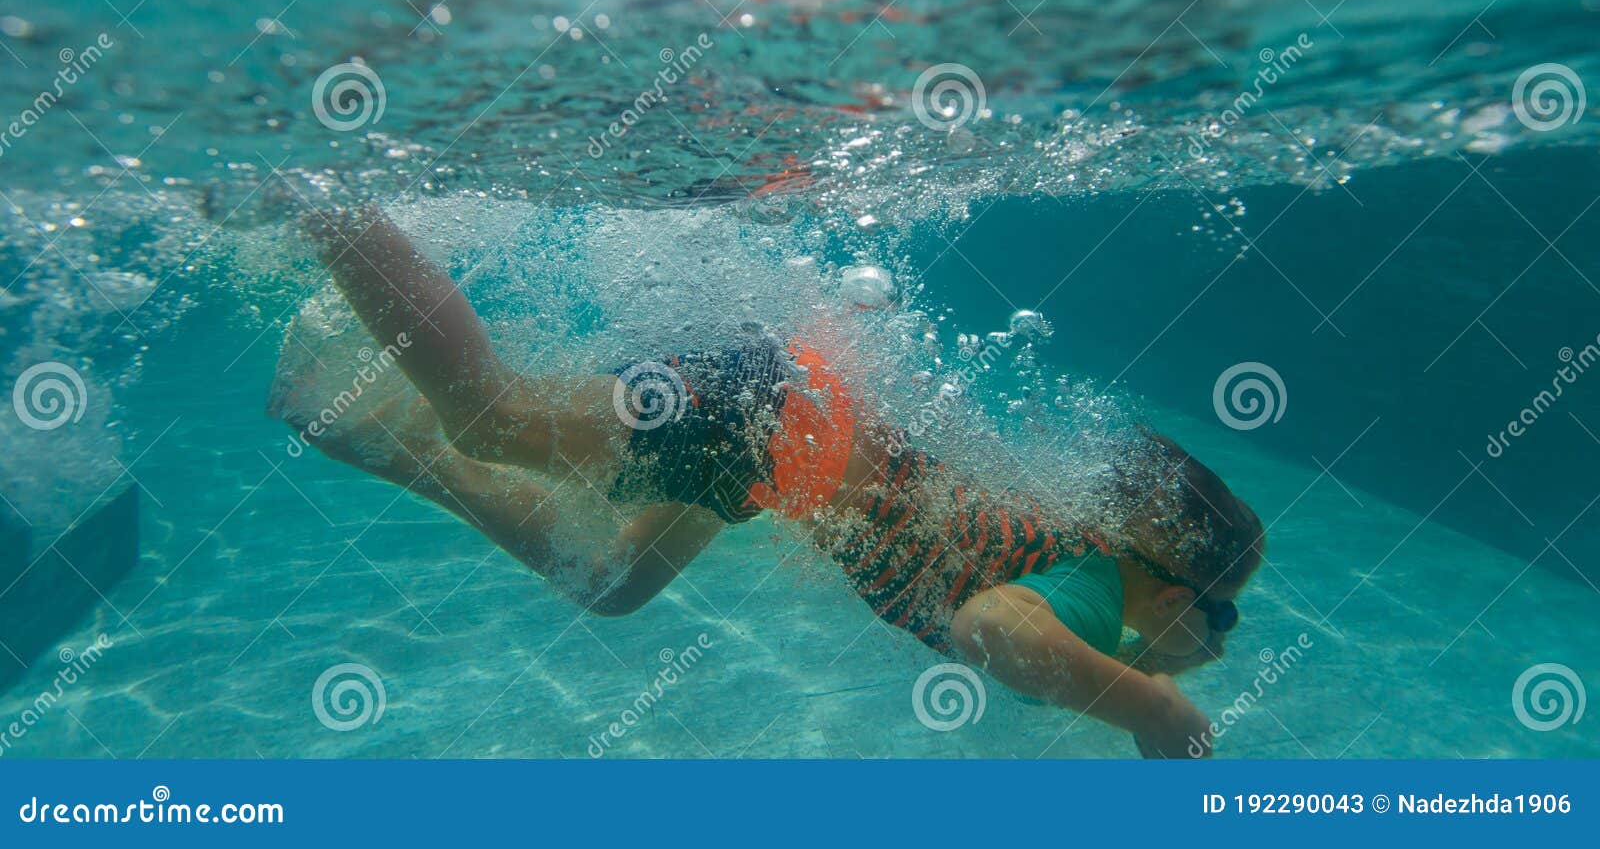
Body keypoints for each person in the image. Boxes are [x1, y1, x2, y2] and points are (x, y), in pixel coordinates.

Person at [270, 193, 1265, 758]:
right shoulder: (1093, 591)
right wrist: (1153, 707)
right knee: (495, 415)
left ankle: (360, 420)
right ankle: (324, 198)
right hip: (764, 426)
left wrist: (1148, 677)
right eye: (1221, 615)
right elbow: (989, 628)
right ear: (1174, 588)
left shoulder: (1088, 563)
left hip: (772, 443)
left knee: (612, 577)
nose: (1218, 640)